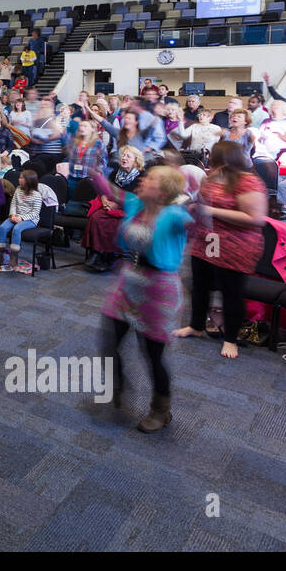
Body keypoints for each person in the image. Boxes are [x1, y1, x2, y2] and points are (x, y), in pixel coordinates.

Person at [92, 165, 193, 432]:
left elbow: (191, 221)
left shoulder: (173, 215)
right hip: (130, 280)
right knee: (109, 340)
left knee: (152, 354)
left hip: (159, 289)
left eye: (150, 179)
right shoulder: (137, 203)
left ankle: (161, 410)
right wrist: (95, 171)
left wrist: (200, 209)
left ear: (162, 191)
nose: (143, 180)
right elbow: (111, 191)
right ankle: (120, 384)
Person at [174, 141, 268, 360]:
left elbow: (255, 218)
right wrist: (194, 208)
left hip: (237, 244)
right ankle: (196, 326)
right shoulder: (212, 177)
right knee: (200, 286)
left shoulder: (249, 181)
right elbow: (203, 202)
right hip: (207, 240)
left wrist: (211, 210)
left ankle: (230, 339)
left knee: (232, 292)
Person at [0, 169, 42, 272]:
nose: (19, 179)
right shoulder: (18, 189)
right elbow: (13, 204)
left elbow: (35, 213)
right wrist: (12, 214)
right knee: (3, 227)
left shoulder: (37, 195)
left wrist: (21, 218)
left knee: (17, 229)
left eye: (22, 178)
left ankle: (14, 258)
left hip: (30, 219)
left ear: (29, 181)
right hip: (16, 216)